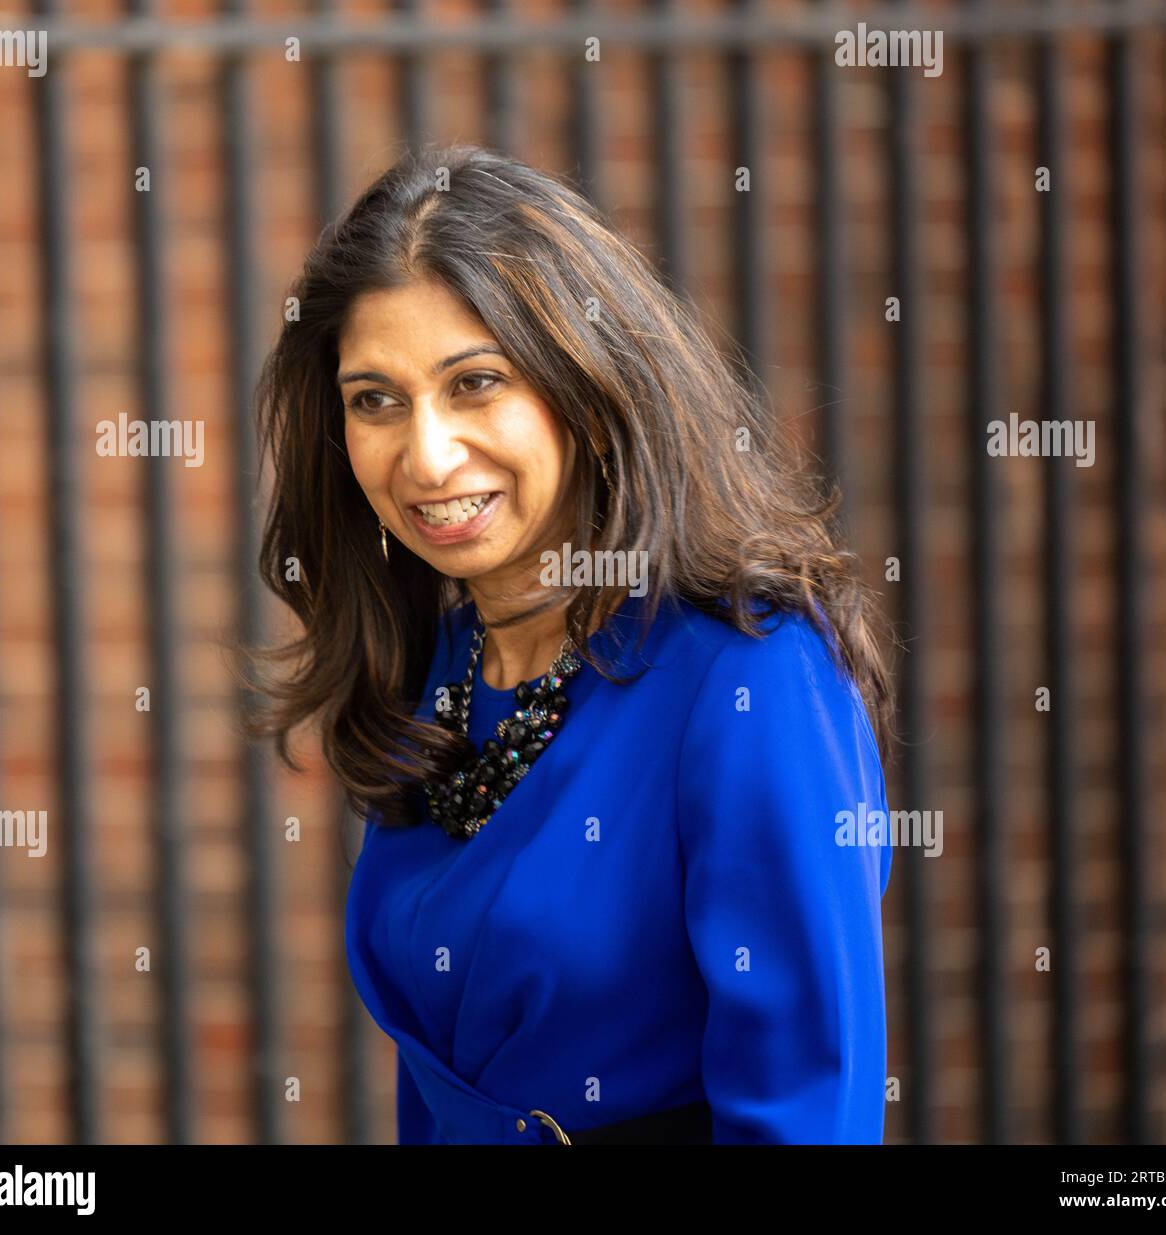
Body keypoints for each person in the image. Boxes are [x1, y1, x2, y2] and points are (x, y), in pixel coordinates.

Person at [248, 142, 896, 1145]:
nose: (425, 453)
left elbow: (807, 1105)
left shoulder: (749, 673)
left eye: (475, 383)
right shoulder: (447, 664)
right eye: (375, 398)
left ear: (586, 390)